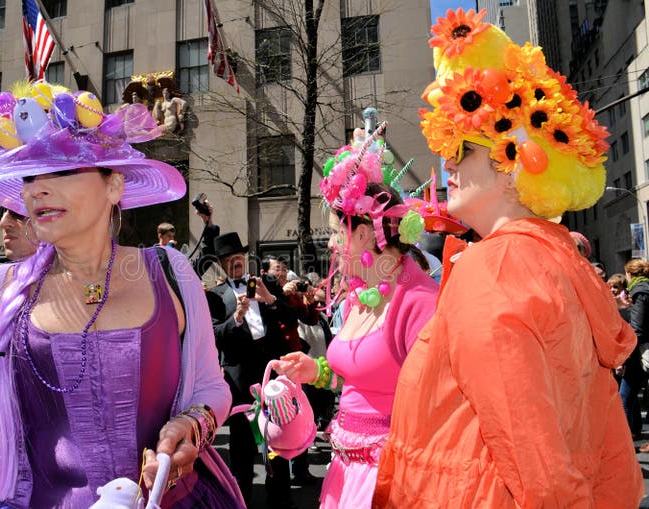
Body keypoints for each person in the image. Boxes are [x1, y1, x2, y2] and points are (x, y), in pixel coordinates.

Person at [0, 83, 243, 509]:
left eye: (62, 171)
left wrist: (191, 426)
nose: (36, 190)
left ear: (114, 186)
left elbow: (209, 387)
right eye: (30, 176)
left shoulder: (171, 272)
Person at [373, 9, 643, 507]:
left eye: (463, 148)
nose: (447, 162)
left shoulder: (495, 270)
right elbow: (602, 442)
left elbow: (537, 470)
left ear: (513, 167)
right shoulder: (551, 258)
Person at [275, 126, 439, 508]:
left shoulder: (420, 303)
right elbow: (362, 377)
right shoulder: (359, 298)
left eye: (335, 234)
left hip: (392, 480)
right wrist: (315, 372)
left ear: (364, 234)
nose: (331, 244)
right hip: (345, 470)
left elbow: (437, 409)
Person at [205, 232, 295, 507]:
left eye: (239, 257)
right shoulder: (216, 296)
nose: (236, 263)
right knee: (242, 446)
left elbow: (291, 318)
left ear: (244, 258)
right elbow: (215, 334)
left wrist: (270, 300)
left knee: (277, 437)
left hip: (270, 371)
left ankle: (280, 499)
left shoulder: (265, 282)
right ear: (221, 263)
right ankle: (241, 500)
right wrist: (237, 318)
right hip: (240, 377)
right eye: (229, 260)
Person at [623, 259, 649, 444]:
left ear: (630, 274)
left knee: (624, 397)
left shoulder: (639, 292)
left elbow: (637, 328)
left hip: (639, 351)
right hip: (640, 350)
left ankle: (622, 445)